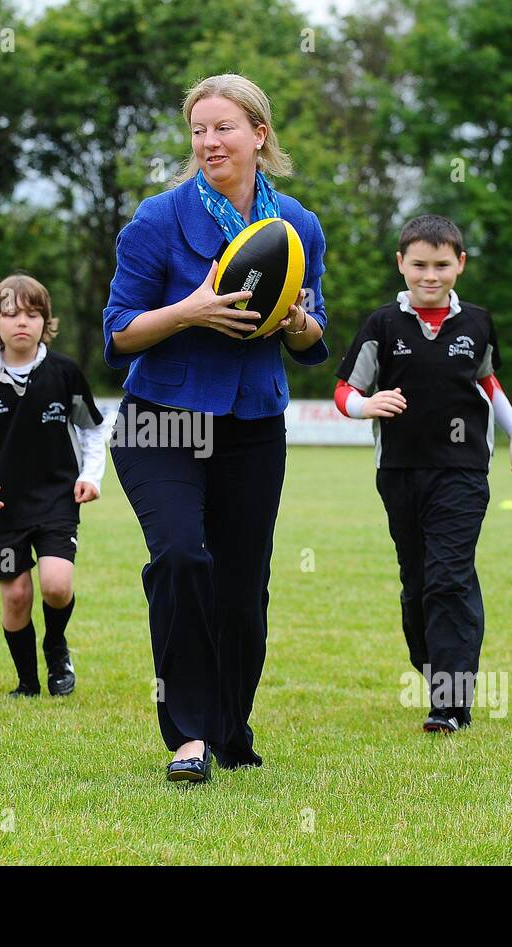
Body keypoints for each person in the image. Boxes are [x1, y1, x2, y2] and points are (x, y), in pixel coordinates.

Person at [103, 74, 328, 783]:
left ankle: (232, 729)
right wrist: (189, 311)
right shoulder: (157, 220)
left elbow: (313, 330)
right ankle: (189, 735)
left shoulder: (297, 224)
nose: (208, 142)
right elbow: (119, 333)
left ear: (259, 134)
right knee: (180, 559)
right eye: (198, 129)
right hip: (161, 422)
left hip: (253, 424)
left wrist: (297, 323)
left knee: (241, 584)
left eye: (223, 128)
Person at [334, 214, 512, 733]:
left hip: (464, 471)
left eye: (442, 264)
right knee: (417, 582)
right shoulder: (381, 325)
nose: (430, 275)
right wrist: (367, 405)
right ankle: (435, 675)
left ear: (460, 265)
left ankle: (450, 702)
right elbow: (344, 393)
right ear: (401, 264)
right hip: (399, 471)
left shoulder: (478, 323)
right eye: (419, 264)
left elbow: (488, 383)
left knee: (449, 576)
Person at [0, 274, 107, 697]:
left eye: (32, 314)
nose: (22, 322)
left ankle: (56, 647)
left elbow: (91, 431)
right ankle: (27, 682)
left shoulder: (65, 372)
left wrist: (90, 476)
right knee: (15, 597)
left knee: (55, 584)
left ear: (45, 321)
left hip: (57, 499)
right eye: (11, 313)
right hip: (3, 506)